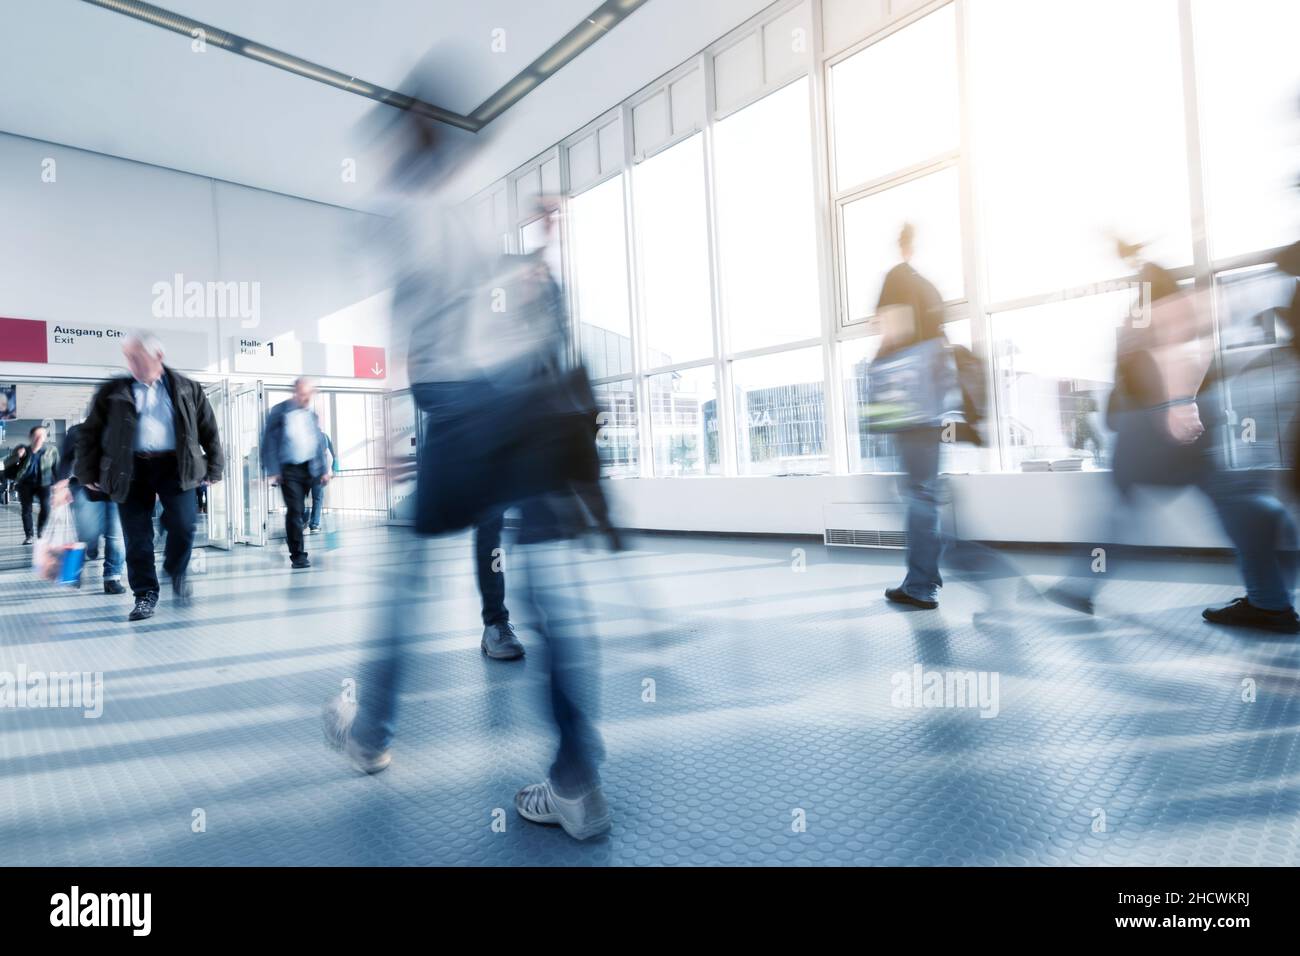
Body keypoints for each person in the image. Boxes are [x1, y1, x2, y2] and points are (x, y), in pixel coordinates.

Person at [323, 55, 611, 841]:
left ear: (401, 142)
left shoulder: (399, 210)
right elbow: (510, 297)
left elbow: (408, 322)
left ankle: (373, 732)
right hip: (521, 403)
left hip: (459, 410)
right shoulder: (472, 206)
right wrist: (542, 244)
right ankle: (578, 783)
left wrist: (388, 431)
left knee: (405, 565)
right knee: (553, 592)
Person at [1048, 241, 1299, 632]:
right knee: (1235, 502)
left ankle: (1082, 585)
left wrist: (1160, 409)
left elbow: (1143, 374)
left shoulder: (1147, 319)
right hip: (1187, 425)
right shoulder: (1185, 314)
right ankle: (1270, 597)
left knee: (1121, 507)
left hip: (1151, 428)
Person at [76, 333, 224, 622]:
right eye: (127, 356)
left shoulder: (186, 388)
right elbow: (89, 433)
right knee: (136, 537)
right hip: (130, 469)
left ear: (158, 356)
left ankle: (176, 569)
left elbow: (209, 430)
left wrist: (215, 467)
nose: (129, 362)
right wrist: (86, 472)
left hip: (175, 466)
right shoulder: (112, 391)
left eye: (136, 356)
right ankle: (145, 594)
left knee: (183, 525)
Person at [262, 377, 332, 569]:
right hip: (289, 469)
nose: (307, 398)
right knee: (295, 510)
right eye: (304, 394)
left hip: (311, 469)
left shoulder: (312, 416)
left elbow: (318, 443)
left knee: (303, 512)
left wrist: (325, 470)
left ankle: (292, 535)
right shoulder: (279, 411)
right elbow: (268, 442)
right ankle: (298, 555)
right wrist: (273, 470)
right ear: (296, 392)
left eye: (310, 394)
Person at [55, 419, 126, 595]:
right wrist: (60, 485)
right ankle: (75, 569)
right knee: (84, 532)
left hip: (114, 488)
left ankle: (112, 577)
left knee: (116, 534)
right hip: (82, 487)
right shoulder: (76, 432)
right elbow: (65, 459)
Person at [16, 425, 58, 545]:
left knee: (46, 508)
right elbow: (11, 462)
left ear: (45, 438)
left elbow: (56, 468)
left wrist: (59, 484)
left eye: (42, 435)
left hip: (44, 483)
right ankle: (29, 536)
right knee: (26, 510)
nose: (39, 438)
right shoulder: (23, 451)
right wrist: (18, 456)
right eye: (36, 435)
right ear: (31, 437)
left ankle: (41, 532)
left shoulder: (50, 451)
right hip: (25, 484)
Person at [302, 432, 337, 534]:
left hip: (306, 474)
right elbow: (331, 455)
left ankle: (305, 518)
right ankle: (314, 524)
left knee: (302, 497)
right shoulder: (323, 436)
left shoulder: (302, 435)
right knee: (317, 499)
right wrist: (330, 471)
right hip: (318, 474)